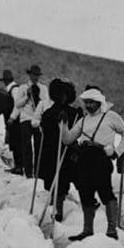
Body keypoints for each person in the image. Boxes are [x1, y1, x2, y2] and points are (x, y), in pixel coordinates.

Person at [61, 87, 124, 241]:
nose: (88, 105)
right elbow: (67, 140)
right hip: (84, 158)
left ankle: (112, 230)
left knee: (105, 192)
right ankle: (87, 230)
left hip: (101, 159)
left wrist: (117, 152)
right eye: (86, 102)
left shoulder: (110, 116)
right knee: (85, 193)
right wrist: (64, 124)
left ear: (99, 102)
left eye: (91, 102)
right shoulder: (84, 120)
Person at [38, 78, 79, 222]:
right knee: (55, 179)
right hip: (54, 151)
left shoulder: (72, 113)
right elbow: (45, 130)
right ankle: (54, 206)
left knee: (61, 181)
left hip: (63, 152)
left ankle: (58, 209)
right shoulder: (51, 113)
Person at [11, 65, 49, 178]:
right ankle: (28, 172)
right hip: (26, 119)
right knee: (26, 146)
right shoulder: (23, 88)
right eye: (33, 74)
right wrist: (27, 97)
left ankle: (38, 172)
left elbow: (46, 104)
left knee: (39, 146)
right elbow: (17, 104)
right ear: (29, 74)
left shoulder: (43, 88)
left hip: (37, 119)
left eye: (37, 75)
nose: (35, 77)